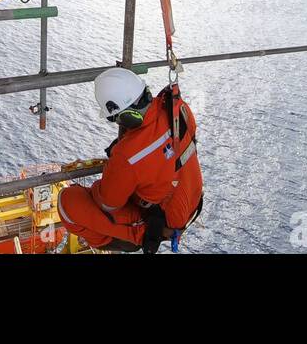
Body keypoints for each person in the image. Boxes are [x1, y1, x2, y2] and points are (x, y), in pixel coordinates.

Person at [57, 67, 203, 253]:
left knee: (67, 202)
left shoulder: (127, 155)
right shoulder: (177, 107)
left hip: (166, 220)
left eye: (114, 119)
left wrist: (108, 176)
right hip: (191, 196)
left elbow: (108, 203)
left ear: (126, 116)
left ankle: (141, 234)